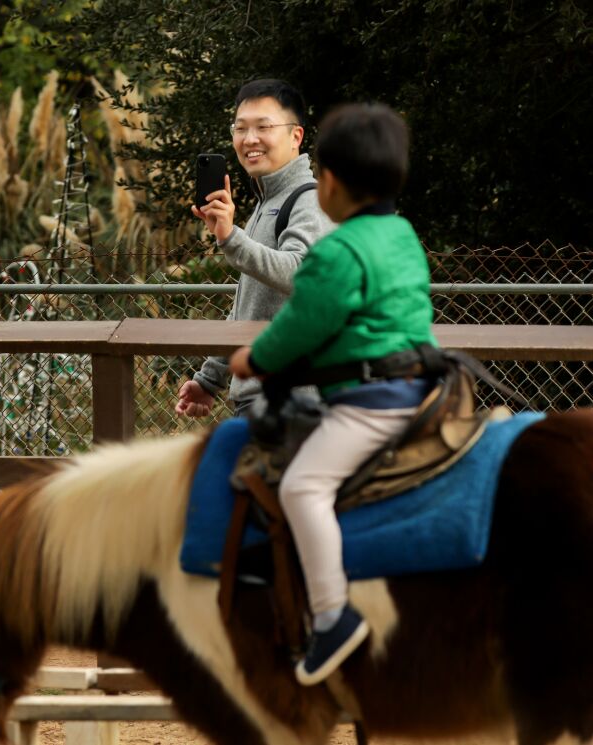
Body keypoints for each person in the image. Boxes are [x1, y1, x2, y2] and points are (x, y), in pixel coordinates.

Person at [229, 103, 435, 685]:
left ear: (332, 184)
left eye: (320, 175)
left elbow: (302, 324)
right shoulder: (400, 234)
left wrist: (253, 360)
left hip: (370, 401)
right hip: (422, 385)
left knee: (303, 486)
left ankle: (331, 617)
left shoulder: (339, 252)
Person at [176, 78, 334, 417]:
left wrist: (231, 238)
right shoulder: (269, 202)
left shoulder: (310, 201)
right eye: (240, 128)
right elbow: (249, 310)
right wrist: (209, 380)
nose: (249, 139)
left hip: (292, 401)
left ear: (296, 136)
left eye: (264, 127)